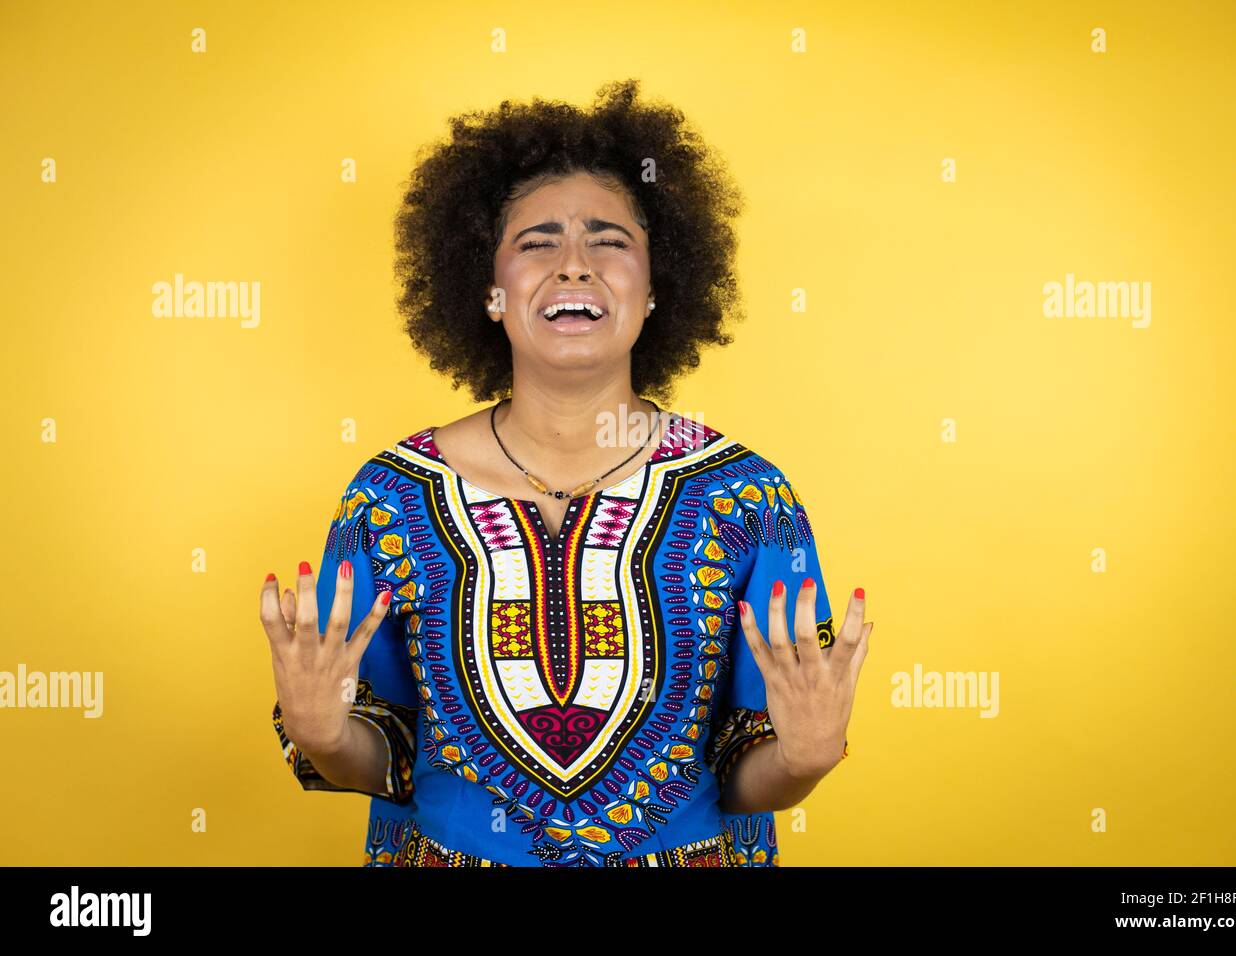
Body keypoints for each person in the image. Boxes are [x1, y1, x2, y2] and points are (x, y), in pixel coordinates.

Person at [259, 79, 873, 867]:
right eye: (537, 242)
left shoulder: (749, 498)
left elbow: (748, 777)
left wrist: (804, 759)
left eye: (611, 241)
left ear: (655, 290)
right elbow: (384, 760)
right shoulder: (388, 498)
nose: (574, 265)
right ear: (488, 289)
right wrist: (323, 733)